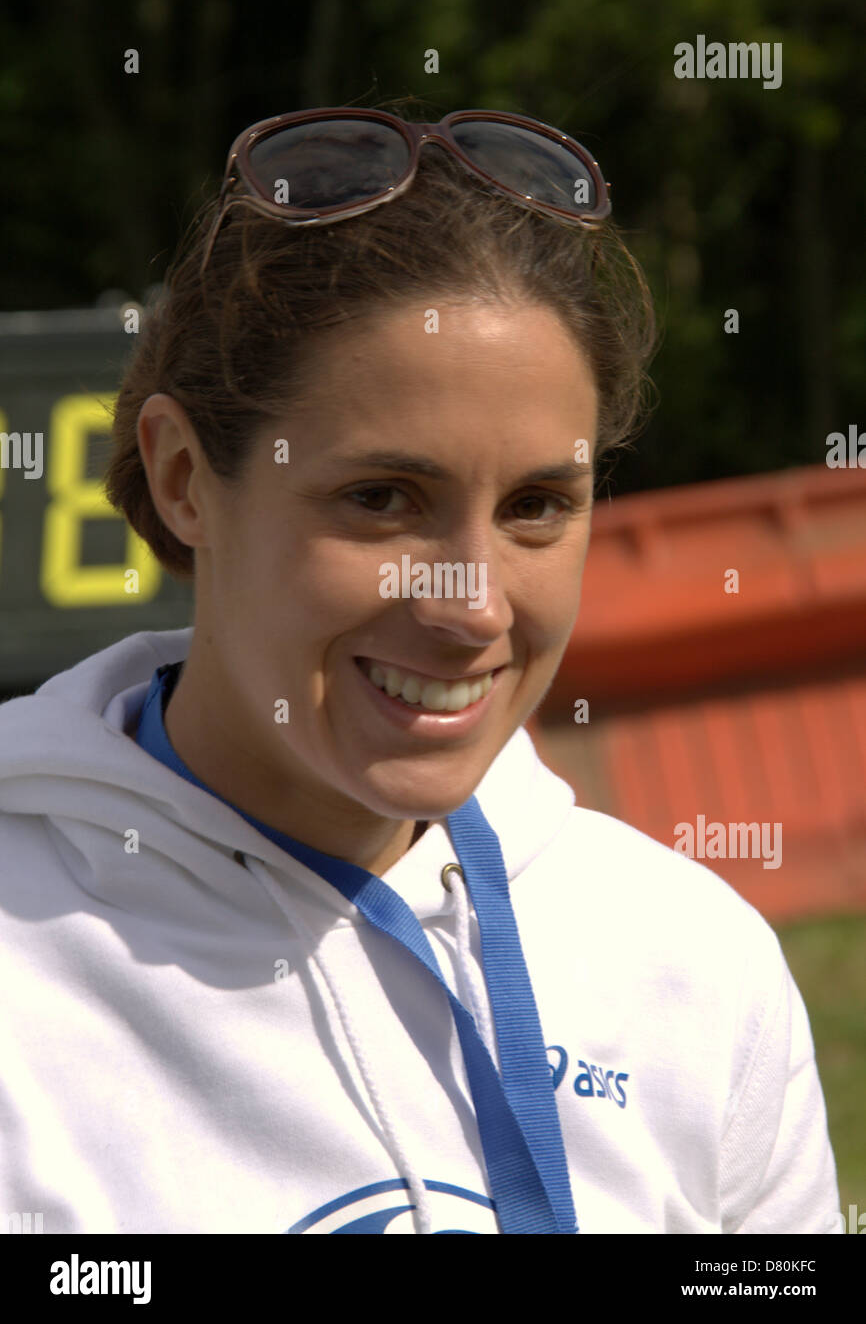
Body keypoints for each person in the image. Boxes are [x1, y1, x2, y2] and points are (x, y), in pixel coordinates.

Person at [0, 105, 841, 1235]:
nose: (476, 606)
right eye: (382, 499)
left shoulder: (695, 971)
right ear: (185, 478)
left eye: (537, 507)